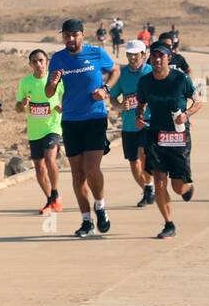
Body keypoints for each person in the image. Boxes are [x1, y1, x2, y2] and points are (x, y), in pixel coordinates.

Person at [47, 18, 119, 238]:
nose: (70, 39)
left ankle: (100, 206)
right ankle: (86, 220)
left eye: (74, 35)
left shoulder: (96, 53)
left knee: (91, 168)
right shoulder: (58, 59)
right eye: (66, 35)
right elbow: (49, 93)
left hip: (95, 117)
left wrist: (105, 90)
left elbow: (115, 70)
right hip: (70, 120)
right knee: (77, 174)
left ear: (82, 35)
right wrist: (53, 81)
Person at [136, 45, 200, 239]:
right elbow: (140, 104)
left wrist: (186, 115)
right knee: (159, 181)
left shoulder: (181, 79)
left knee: (177, 187)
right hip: (155, 135)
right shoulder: (145, 82)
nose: (156, 60)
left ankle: (187, 187)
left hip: (178, 137)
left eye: (161, 56)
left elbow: (198, 101)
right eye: (153, 56)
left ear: (168, 58)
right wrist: (139, 117)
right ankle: (168, 223)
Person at [15, 49, 64, 214]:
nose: (38, 64)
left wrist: (61, 107)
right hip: (35, 130)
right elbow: (17, 109)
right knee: (38, 167)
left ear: (47, 61)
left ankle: (55, 192)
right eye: (34, 62)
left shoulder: (56, 80)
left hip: (53, 127)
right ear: (30, 64)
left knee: (50, 158)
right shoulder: (25, 83)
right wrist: (22, 104)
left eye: (41, 60)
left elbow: (68, 100)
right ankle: (50, 199)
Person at [109, 40, 155, 207]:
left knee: (143, 154)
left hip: (147, 123)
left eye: (136, 54)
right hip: (128, 125)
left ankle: (149, 188)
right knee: (133, 162)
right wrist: (121, 106)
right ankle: (147, 189)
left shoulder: (152, 72)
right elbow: (112, 97)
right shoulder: (122, 74)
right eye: (130, 54)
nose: (133, 57)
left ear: (143, 55)